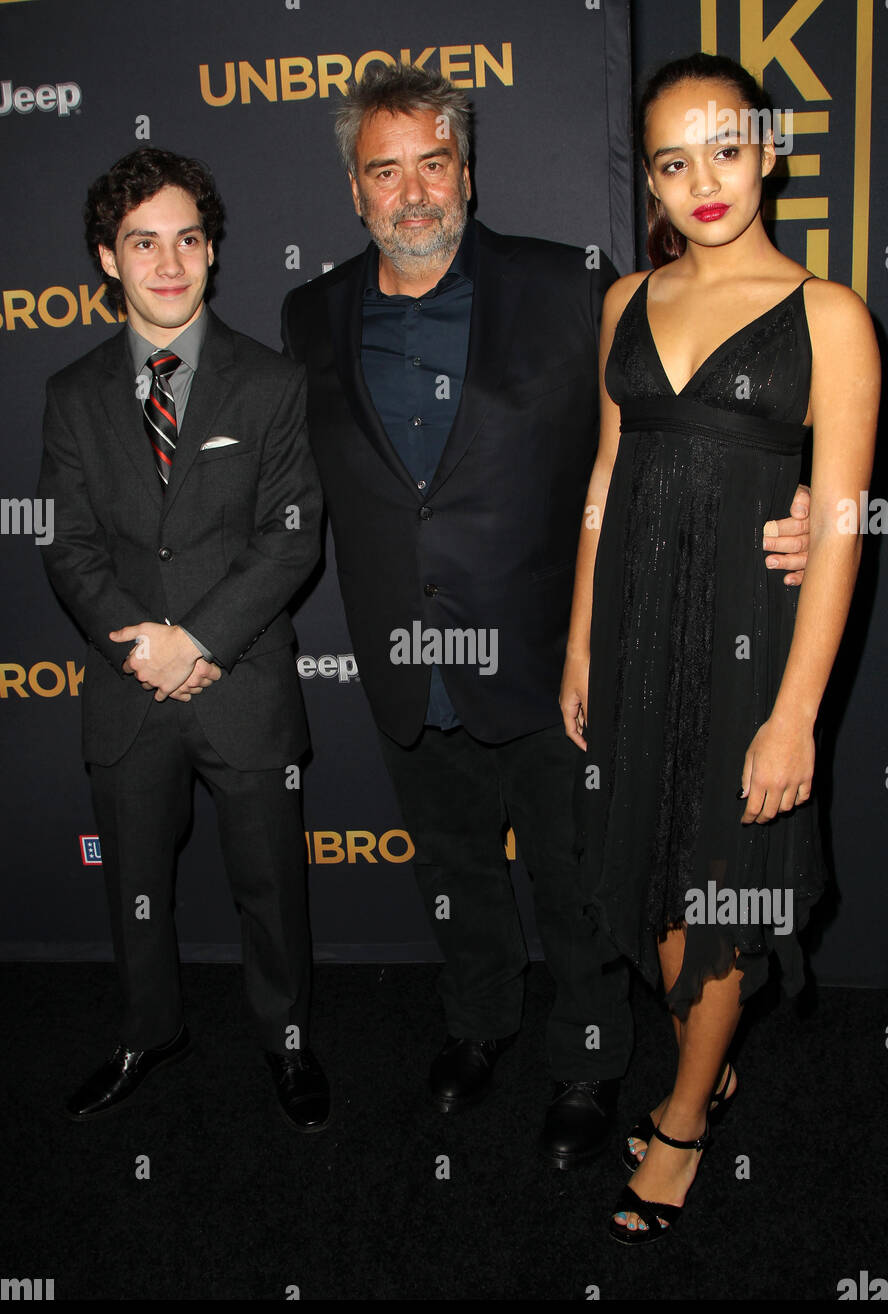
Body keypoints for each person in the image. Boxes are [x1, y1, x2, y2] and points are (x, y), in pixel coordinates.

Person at [282, 63, 809, 1164]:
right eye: (386, 170)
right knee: (454, 868)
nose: (413, 191)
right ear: (355, 191)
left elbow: (674, 421)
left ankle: (586, 1060)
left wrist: (795, 496)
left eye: (434, 162)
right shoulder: (309, 313)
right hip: (401, 660)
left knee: (573, 878)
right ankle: (478, 1024)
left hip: (549, 656)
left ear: (467, 173)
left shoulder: (571, 285)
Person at [561, 52, 879, 1242]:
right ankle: (710, 1059)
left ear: (772, 150)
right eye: (672, 159)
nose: (703, 180)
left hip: (752, 646)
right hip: (636, 637)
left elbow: (840, 525)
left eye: (726, 148)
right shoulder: (622, 303)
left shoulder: (831, 316)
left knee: (721, 888)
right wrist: (582, 645)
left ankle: (686, 1120)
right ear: (648, 175)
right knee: (642, 875)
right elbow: (604, 477)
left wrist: (796, 712)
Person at [37, 148, 330, 1132]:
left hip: (239, 680)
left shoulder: (274, 382)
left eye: (188, 239)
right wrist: (142, 649)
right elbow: (70, 546)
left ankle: (288, 1039)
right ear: (106, 260)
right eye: (143, 242)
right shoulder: (72, 393)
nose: (169, 263)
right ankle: (146, 1029)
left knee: (271, 886)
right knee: (135, 888)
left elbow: (292, 538)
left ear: (212, 250)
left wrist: (196, 641)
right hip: (130, 690)